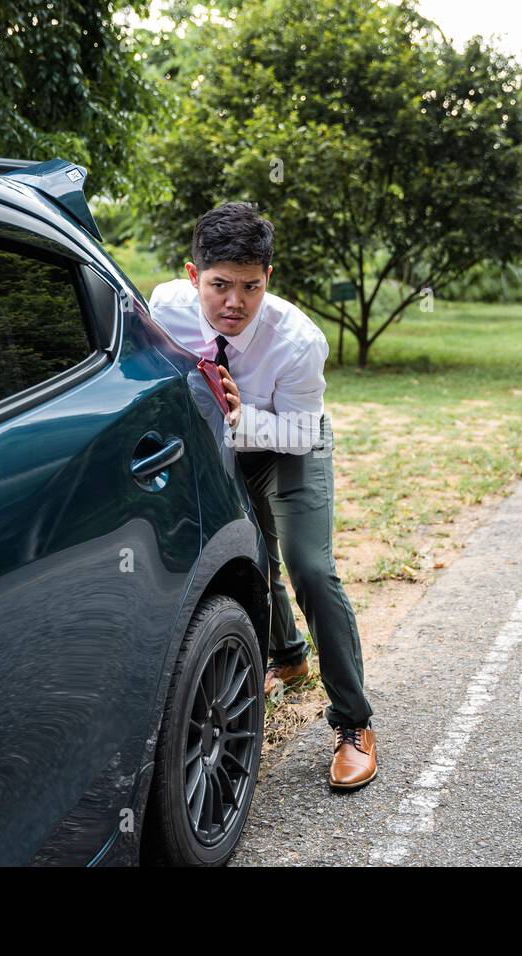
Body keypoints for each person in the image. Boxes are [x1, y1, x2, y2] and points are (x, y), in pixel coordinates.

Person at [148, 202, 377, 790]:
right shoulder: (166, 306)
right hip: (226, 444)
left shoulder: (298, 341)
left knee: (308, 566)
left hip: (291, 444)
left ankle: (354, 722)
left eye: (250, 287)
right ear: (193, 276)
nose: (234, 303)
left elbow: (303, 430)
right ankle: (288, 655)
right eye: (220, 285)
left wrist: (242, 416)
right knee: (250, 555)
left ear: (267, 280)